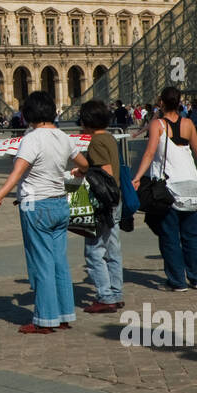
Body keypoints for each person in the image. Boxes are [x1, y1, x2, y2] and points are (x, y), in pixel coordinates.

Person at [0, 91, 86, 331]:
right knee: (59, 262)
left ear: (28, 114)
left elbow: (18, 172)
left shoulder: (32, 139)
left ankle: (44, 319)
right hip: (60, 203)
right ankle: (64, 314)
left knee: (41, 262)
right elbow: (84, 164)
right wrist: (77, 174)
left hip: (36, 204)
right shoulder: (64, 137)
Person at [131, 86, 197, 291]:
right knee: (192, 235)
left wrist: (137, 177)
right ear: (179, 102)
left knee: (169, 236)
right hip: (190, 184)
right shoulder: (188, 123)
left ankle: (177, 280)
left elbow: (150, 154)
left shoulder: (157, 124)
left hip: (168, 187)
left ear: (161, 102)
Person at [78, 100, 124, 313]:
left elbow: (104, 173)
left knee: (94, 251)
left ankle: (105, 297)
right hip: (116, 200)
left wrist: (82, 172)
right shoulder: (109, 138)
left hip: (104, 203)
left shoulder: (96, 142)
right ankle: (116, 292)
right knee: (112, 249)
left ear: (87, 121)